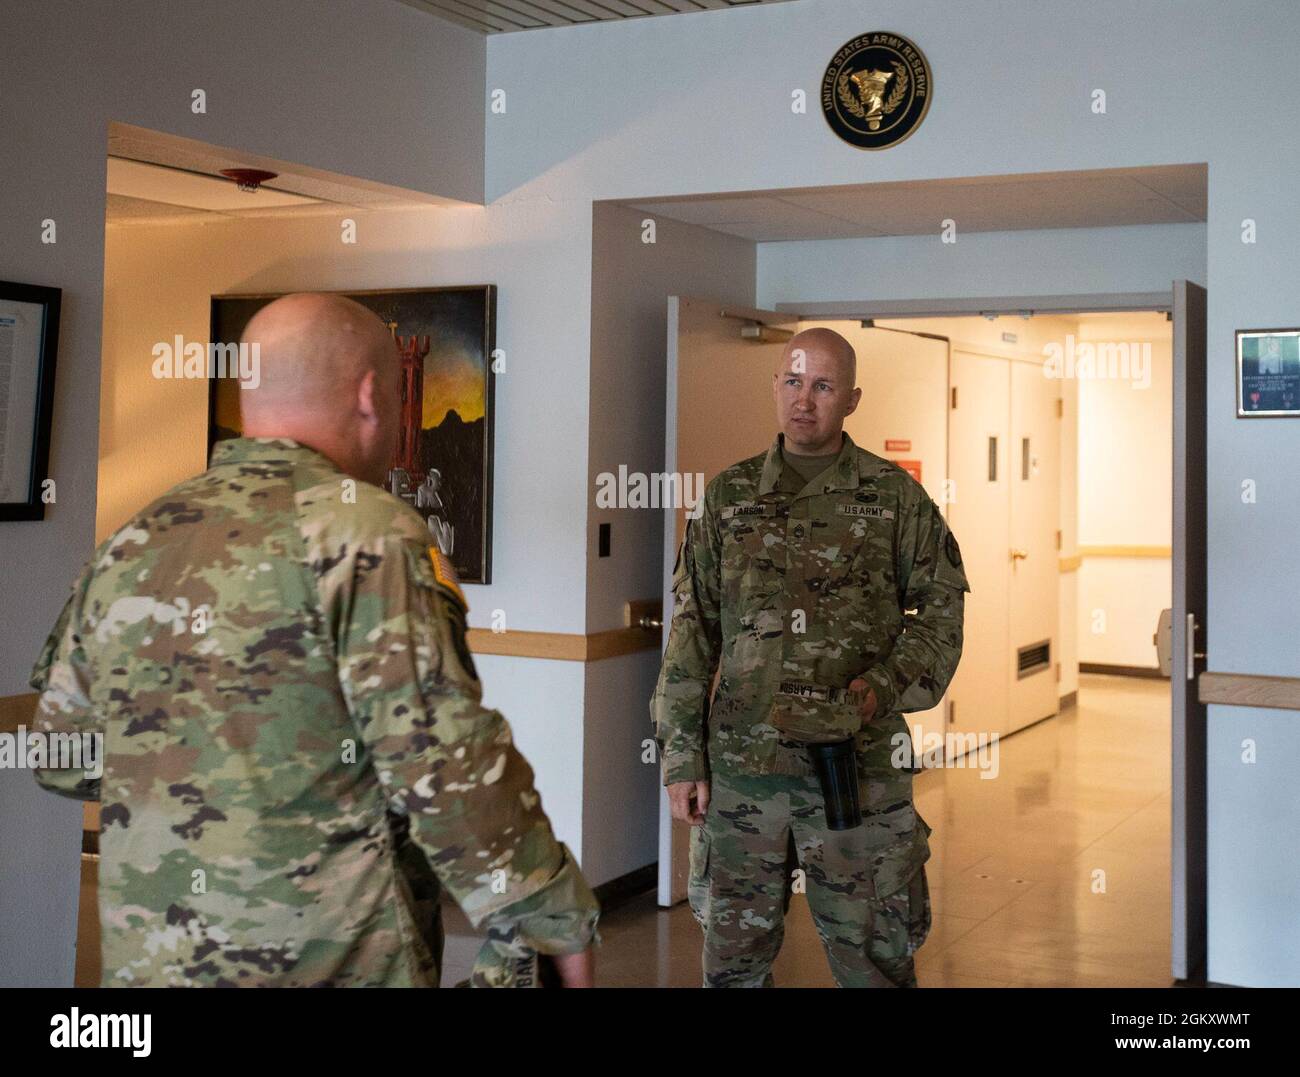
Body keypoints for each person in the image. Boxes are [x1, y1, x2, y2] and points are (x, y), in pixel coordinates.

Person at [30, 293, 598, 987]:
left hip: (156, 959)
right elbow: (442, 764)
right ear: (369, 396)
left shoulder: (131, 539)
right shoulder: (368, 533)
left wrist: (213, 788)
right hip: (324, 957)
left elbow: (59, 753)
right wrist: (555, 912)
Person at [651, 327, 968, 988]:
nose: (805, 400)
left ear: (851, 399)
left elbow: (941, 613)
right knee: (733, 964)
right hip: (743, 774)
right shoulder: (729, 496)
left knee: (871, 958)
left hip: (858, 773)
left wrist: (879, 689)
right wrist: (682, 755)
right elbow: (691, 634)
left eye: (822, 386)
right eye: (793, 382)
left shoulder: (892, 500)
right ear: (775, 386)